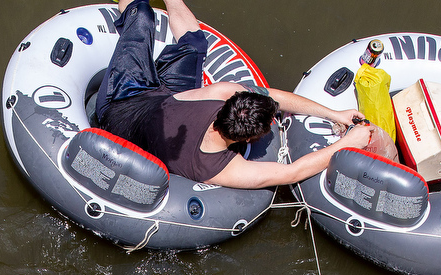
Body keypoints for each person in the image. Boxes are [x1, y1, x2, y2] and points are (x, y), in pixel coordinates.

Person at [95, 0, 380, 188]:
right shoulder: (222, 166)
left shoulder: (221, 97)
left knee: (156, 22)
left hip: (151, 103)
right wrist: (349, 141)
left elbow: (274, 98)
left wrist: (333, 114)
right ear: (245, 139)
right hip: (121, 103)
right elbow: (292, 172)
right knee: (150, 22)